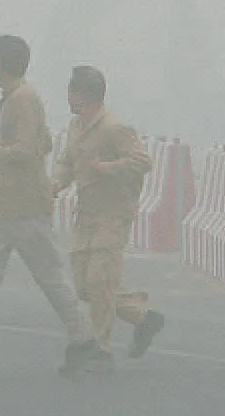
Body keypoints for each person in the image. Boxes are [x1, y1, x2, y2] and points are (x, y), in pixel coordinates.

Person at [0, 35, 98, 375]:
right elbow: (41, 143)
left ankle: (85, 339)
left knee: (49, 275)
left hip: (26, 207)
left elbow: (24, 149)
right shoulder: (14, 98)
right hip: (4, 203)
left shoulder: (23, 99)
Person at [53, 66, 164, 373]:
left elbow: (142, 161)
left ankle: (100, 349)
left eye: (72, 91)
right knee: (85, 287)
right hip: (86, 215)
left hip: (113, 214)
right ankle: (143, 318)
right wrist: (55, 184)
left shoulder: (114, 128)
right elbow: (67, 161)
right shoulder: (76, 127)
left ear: (84, 95)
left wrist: (108, 168)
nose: (68, 97)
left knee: (98, 280)